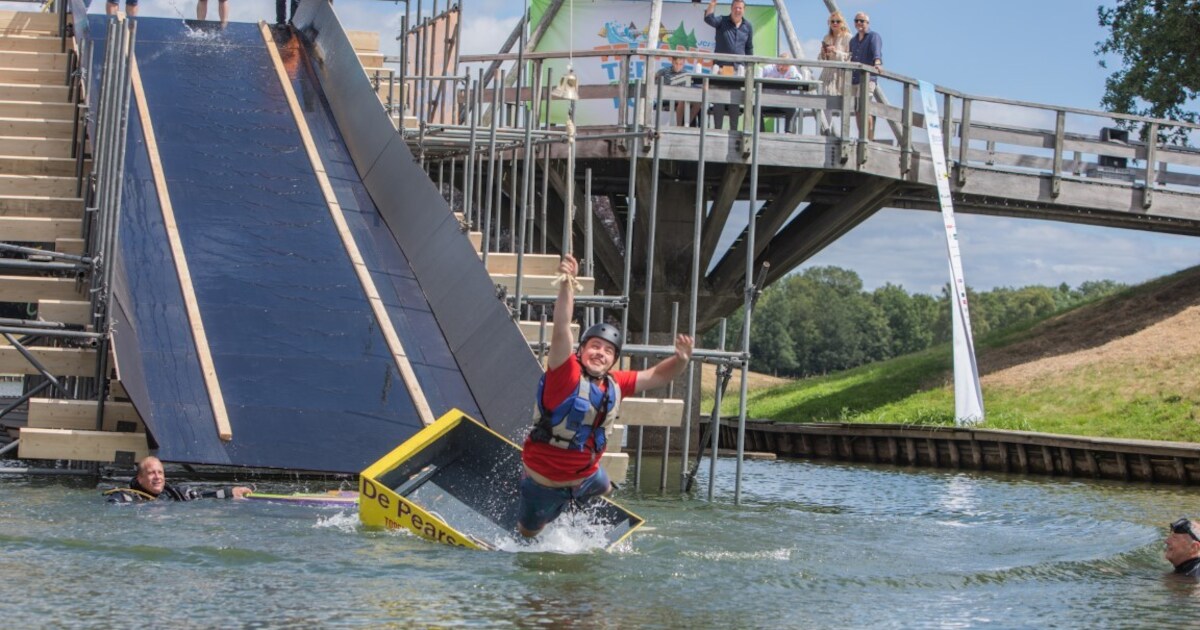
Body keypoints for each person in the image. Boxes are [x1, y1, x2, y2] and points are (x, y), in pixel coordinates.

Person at [517, 254, 694, 538]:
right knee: (527, 534)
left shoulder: (615, 384)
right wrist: (567, 285)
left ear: (613, 360)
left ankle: (584, 498)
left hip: (585, 478)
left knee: (605, 484)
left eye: (608, 350)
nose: (600, 352)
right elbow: (562, 328)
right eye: (595, 346)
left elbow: (658, 376)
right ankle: (541, 508)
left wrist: (682, 360)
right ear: (581, 351)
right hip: (543, 481)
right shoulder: (564, 372)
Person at [105, 456, 252, 503]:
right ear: (140, 478)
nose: (157, 477)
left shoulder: (174, 493)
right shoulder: (125, 497)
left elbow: (204, 495)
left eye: (160, 473)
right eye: (151, 473)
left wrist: (231, 491)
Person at [703, 0, 753, 129]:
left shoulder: (748, 26)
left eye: (740, 8)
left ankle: (734, 132)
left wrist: (749, 68)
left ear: (744, 10)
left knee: (734, 102)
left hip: (738, 70)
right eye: (735, 8)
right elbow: (708, 19)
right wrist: (712, 4)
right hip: (721, 68)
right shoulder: (722, 21)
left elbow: (749, 48)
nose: (738, 10)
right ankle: (717, 130)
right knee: (718, 100)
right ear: (731, 8)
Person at [848, 11, 882, 140]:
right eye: (856, 20)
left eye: (862, 21)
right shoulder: (853, 40)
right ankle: (862, 136)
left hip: (867, 79)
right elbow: (850, 57)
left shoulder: (873, 36)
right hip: (854, 78)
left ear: (867, 23)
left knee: (865, 107)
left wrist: (877, 62)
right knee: (857, 109)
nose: (859, 23)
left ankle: (869, 138)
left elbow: (876, 52)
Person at [759, 52, 802, 133]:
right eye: (781, 65)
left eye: (785, 66)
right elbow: (757, 78)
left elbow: (800, 78)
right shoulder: (768, 69)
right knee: (756, 108)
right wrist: (766, 80)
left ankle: (788, 133)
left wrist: (792, 79)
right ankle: (760, 132)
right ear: (777, 63)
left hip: (782, 102)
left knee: (792, 109)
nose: (782, 68)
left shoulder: (791, 69)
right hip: (767, 101)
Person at [655, 55, 700, 127]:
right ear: (672, 62)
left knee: (697, 102)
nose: (678, 66)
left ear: (683, 64)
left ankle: (686, 123)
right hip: (668, 96)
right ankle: (678, 125)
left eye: (680, 64)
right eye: (676, 63)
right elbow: (655, 76)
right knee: (682, 100)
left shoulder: (686, 73)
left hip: (682, 96)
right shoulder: (664, 71)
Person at [818, 11, 851, 97]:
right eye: (832, 21)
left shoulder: (848, 37)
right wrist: (823, 53)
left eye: (838, 21)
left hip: (840, 75)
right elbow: (821, 60)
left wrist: (835, 51)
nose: (835, 23)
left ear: (843, 23)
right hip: (827, 73)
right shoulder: (826, 37)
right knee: (823, 101)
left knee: (837, 103)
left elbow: (849, 57)